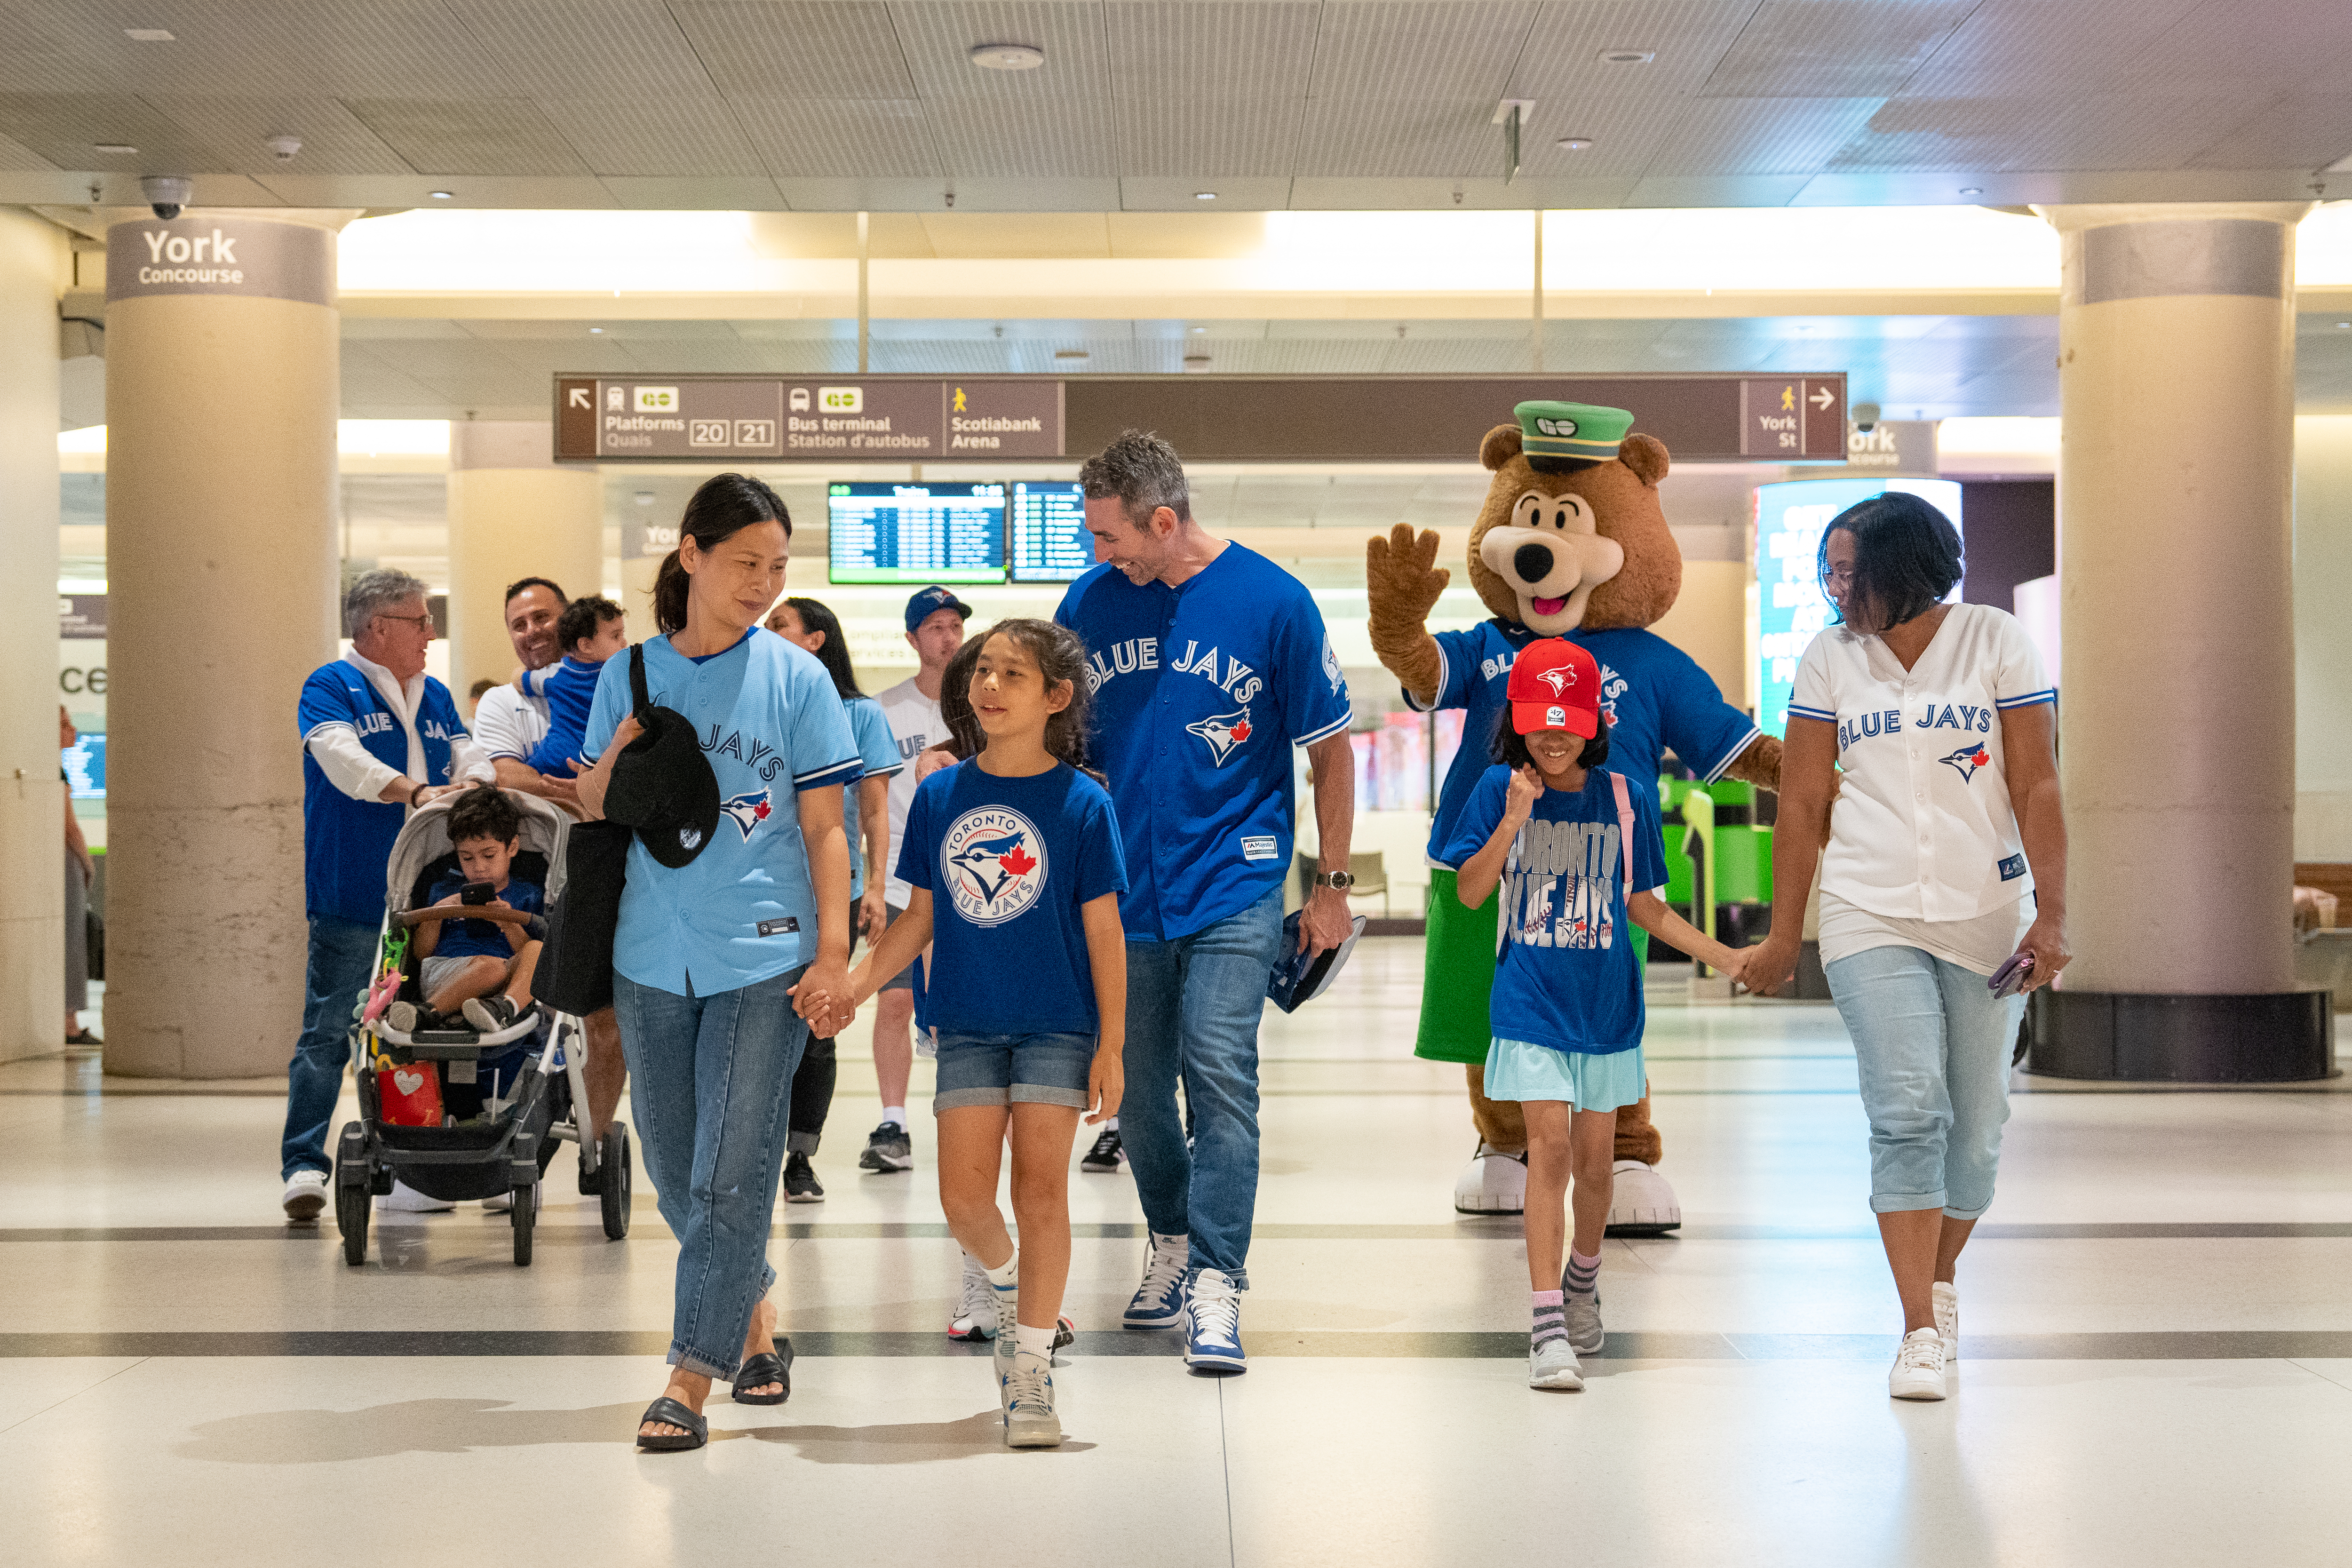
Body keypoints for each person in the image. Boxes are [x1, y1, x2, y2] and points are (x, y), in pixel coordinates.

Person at [1745, 491, 2069, 1404]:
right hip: (1867, 910)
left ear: (1907, 568)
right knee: (1907, 1110)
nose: (1834, 588)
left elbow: (2037, 783)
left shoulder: (1995, 640)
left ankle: (1941, 1274)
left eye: (1849, 571)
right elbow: (1801, 802)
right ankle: (1918, 1328)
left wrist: (2052, 915)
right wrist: (1784, 932)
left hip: (1987, 915)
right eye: (1828, 571)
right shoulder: (1828, 658)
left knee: (1979, 1128)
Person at [1056, 429, 1357, 1376]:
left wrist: (1331, 884)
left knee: (1220, 1069)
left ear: (1163, 521)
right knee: (1137, 1086)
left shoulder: (1273, 601)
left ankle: (1219, 1277)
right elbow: (1059, 743)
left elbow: (1330, 750)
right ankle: (1173, 1239)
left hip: (1235, 878)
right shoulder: (1089, 604)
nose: (1098, 552)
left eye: (1108, 535)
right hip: (1123, 888)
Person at [572, 473, 859, 1453]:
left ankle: (690, 1376)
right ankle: (755, 1315)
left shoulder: (797, 678)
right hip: (649, 952)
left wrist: (834, 956)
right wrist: (610, 762)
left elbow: (827, 828)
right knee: (674, 1167)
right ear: (690, 554)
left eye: (777, 567)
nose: (763, 584)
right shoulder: (629, 673)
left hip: (764, 958)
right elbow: (595, 803)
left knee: (733, 1174)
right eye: (745, 563)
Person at [845, 619, 1127, 1448]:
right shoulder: (940, 796)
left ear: (1057, 696)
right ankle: (1010, 1289)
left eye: (1013, 673)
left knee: (1041, 1192)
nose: (990, 686)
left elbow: (1105, 931)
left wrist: (1113, 1043)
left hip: (1057, 1024)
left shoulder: (1084, 802)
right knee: (963, 1198)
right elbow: (920, 918)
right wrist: (858, 986)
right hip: (966, 1021)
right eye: (984, 671)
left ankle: (1031, 1369)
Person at [1444, 639, 1750, 1391]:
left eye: (1568, 723)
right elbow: (1472, 893)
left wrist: (1727, 957)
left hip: (1608, 1009)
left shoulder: (1625, 796)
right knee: (1547, 1149)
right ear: (1518, 722)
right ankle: (1547, 1323)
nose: (1553, 738)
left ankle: (1583, 1277)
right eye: (1539, 723)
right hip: (1530, 1003)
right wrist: (1512, 822)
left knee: (1594, 1163)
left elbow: (1646, 905)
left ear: (1593, 723)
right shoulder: (1498, 787)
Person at [282, 570, 481, 1219]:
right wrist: (414, 791)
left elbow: (467, 753)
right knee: (329, 1030)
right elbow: (342, 758)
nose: (430, 632)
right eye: (419, 621)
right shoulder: (330, 687)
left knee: (415, 1029)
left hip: (428, 898)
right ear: (377, 627)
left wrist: (475, 781)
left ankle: (412, 1167)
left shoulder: (435, 694)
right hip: (354, 891)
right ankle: (304, 1164)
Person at [471, 575, 628, 1144]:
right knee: (529, 1008)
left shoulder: (614, 683)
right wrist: (583, 790)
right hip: (532, 882)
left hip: (608, 869)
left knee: (606, 1019)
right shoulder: (502, 701)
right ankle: (513, 1128)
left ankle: (595, 1140)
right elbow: (507, 777)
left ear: (570, 626)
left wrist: (583, 789)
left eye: (543, 618)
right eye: (519, 624)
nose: (532, 631)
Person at [765, 595, 903, 1202]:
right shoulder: (762, 704)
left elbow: (874, 810)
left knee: (817, 1025)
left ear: (816, 639)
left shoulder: (860, 714)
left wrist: (874, 886)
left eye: (780, 624)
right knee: (759, 1023)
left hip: (833, 893)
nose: (766, 632)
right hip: (763, 891)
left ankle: (800, 1156)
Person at [862, 585, 972, 1176]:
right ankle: (892, 1121)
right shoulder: (884, 711)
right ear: (911, 639)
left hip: (972, 879)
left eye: (954, 625)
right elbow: (872, 804)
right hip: (906, 877)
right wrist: (874, 885)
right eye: (935, 627)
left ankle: (969, 1117)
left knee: (962, 1007)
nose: (948, 637)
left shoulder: (984, 706)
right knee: (895, 998)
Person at [387, 784, 545, 1035]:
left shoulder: (529, 894)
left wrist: (508, 922)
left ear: (512, 848)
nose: (479, 867)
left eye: (489, 855)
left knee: (537, 950)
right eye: (467, 858)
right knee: (491, 968)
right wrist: (438, 912)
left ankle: (503, 1010)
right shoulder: (442, 891)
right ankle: (427, 1012)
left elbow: (526, 957)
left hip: (506, 983)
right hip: (445, 973)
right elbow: (421, 954)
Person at [517, 596, 627, 778]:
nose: (624, 642)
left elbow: (519, 680)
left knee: (520, 778)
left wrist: (520, 671)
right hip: (596, 763)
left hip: (554, 759)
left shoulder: (555, 674)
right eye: (616, 636)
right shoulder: (618, 676)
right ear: (586, 645)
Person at [61, 706, 96, 1046]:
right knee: (72, 941)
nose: (73, 730)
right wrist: (88, 864)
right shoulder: (57, 774)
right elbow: (70, 827)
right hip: (67, 864)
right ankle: (69, 1023)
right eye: (65, 724)